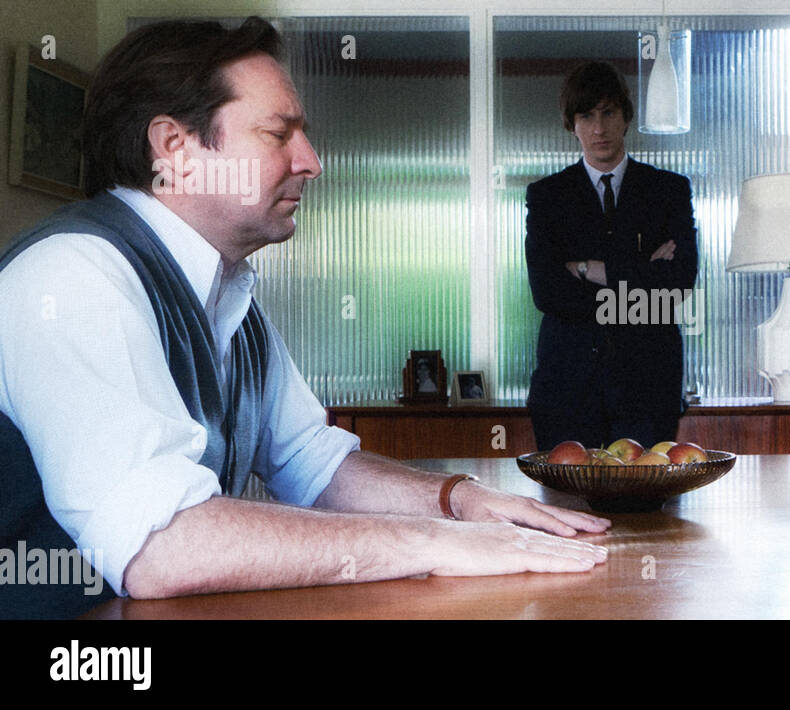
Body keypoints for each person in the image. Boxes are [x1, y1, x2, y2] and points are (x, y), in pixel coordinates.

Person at [0, 17, 609, 620]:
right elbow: (165, 545)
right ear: (175, 149)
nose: (311, 161)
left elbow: (311, 462)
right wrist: (437, 544)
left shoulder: (225, 291)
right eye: (278, 133)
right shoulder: (73, 275)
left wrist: (460, 503)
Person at [524, 61, 698, 451]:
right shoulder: (547, 197)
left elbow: (679, 285)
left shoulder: (668, 191)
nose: (598, 129)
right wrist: (643, 277)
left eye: (608, 113)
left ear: (626, 117)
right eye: (586, 116)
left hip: (648, 388)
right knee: (567, 506)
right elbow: (548, 294)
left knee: (650, 505)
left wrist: (590, 270)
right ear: (572, 124)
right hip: (567, 389)